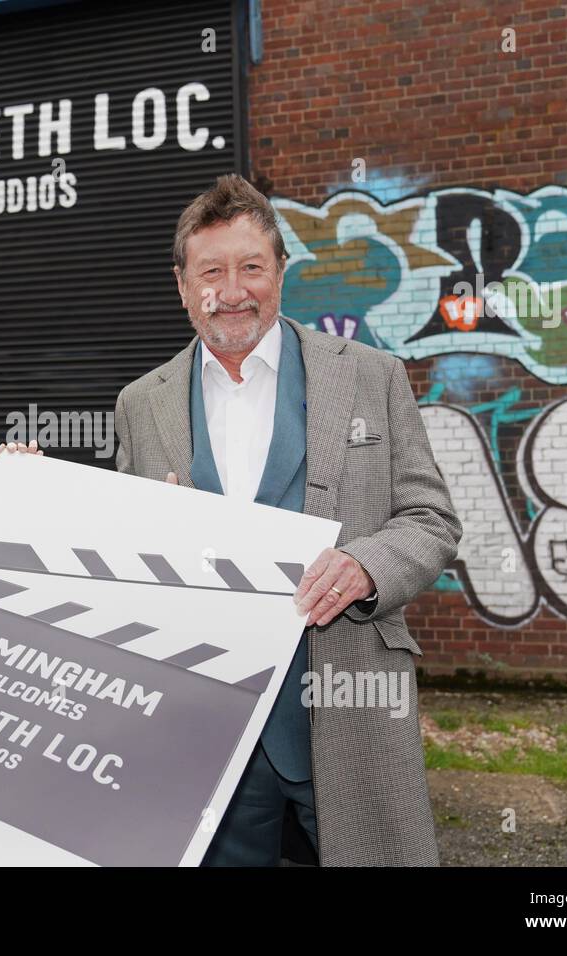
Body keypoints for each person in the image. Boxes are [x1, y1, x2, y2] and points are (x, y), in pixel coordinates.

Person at [112, 174, 462, 865]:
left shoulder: (372, 375)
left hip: (344, 705)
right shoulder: (138, 403)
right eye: (212, 271)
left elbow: (431, 518)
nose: (233, 290)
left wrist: (368, 566)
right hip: (202, 730)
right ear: (182, 285)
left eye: (252, 268)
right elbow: (122, 561)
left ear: (281, 274)